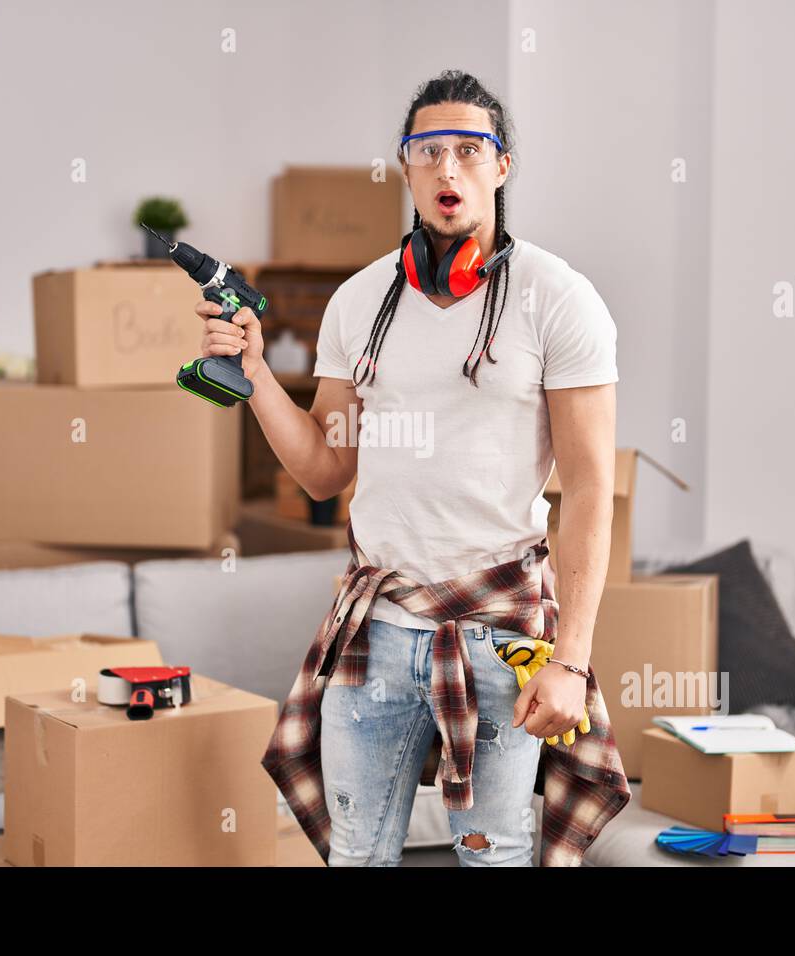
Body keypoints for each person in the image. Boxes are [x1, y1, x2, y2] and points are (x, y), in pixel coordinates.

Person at [195, 69, 627, 866]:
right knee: (357, 853)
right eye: (427, 151)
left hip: (502, 638)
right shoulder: (360, 301)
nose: (447, 168)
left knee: (490, 854)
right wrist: (253, 371)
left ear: (502, 167)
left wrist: (571, 660)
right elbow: (325, 471)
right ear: (405, 170)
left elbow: (592, 489)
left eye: (470, 149)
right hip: (376, 633)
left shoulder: (558, 299)